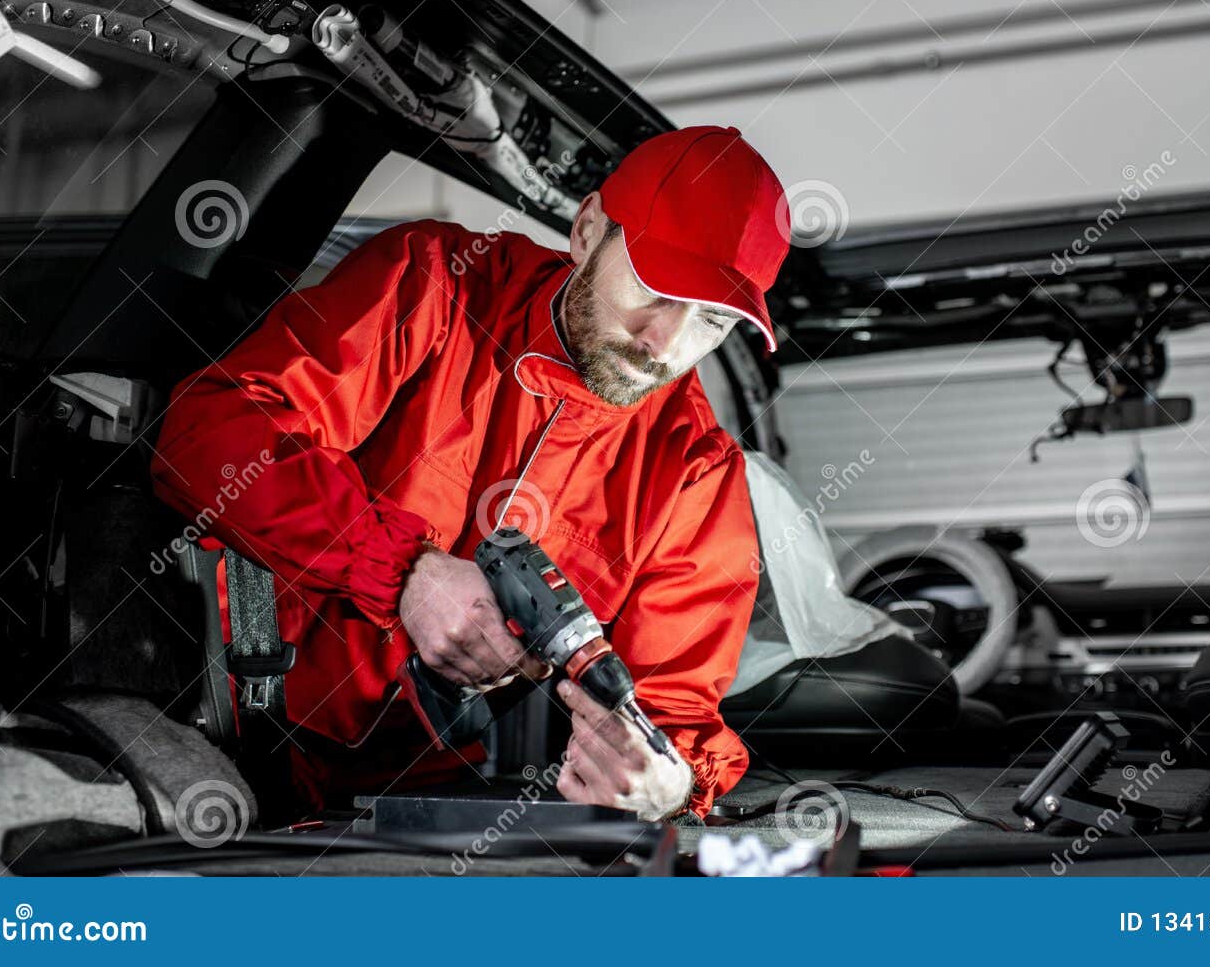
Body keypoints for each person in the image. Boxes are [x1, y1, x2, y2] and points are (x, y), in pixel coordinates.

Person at [151, 125, 790, 820]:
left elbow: (675, 712)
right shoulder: (434, 283)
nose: (663, 344)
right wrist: (406, 571)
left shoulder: (697, 473)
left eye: (712, 323)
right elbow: (210, 432)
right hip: (212, 715)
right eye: (653, 286)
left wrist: (670, 785)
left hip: (413, 793)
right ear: (586, 232)